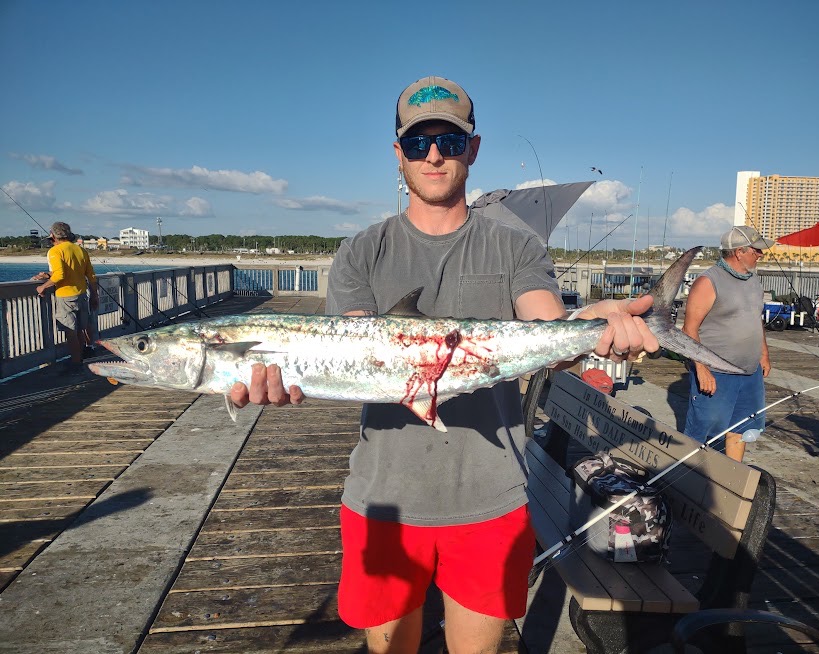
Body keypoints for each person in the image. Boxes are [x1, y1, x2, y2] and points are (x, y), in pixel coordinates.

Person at [230, 75, 660, 654]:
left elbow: (543, 327)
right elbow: (354, 352)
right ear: (398, 154)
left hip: (492, 496)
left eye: (450, 142)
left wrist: (592, 329)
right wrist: (288, 377)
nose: (434, 155)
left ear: (473, 149)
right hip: (384, 497)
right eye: (418, 143)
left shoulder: (517, 248)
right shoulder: (362, 250)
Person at [682, 225, 773, 462]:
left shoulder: (754, 280)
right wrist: (701, 368)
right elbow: (689, 329)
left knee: (742, 429)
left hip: (750, 371)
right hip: (717, 372)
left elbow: (756, 319)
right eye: (756, 250)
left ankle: (732, 478)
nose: (761, 254)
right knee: (705, 432)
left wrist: (763, 353)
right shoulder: (708, 281)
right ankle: (692, 477)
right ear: (739, 251)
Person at [34, 222, 99, 374]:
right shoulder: (80, 250)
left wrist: (43, 286)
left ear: (53, 235)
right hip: (82, 294)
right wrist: (94, 295)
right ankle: (80, 358)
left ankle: (76, 363)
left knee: (70, 330)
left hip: (65, 295)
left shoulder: (55, 251)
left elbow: (60, 275)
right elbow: (90, 275)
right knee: (80, 330)